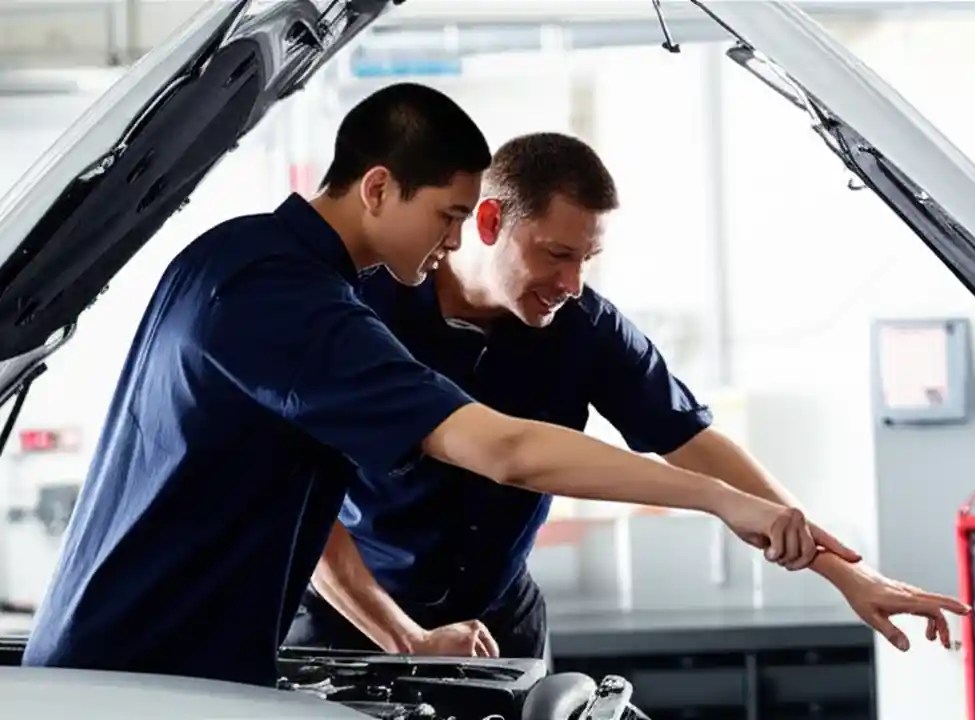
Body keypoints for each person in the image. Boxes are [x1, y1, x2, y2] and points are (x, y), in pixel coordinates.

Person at [20, 84, 853, 688]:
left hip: (192, 648)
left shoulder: (246, 259)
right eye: (450, 216)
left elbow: (674, 430)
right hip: (142, 662)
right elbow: (505, 448)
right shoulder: (287, 301)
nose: (455, 240)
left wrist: (830, 560)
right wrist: (716, 501)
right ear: (379, 187)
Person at [284, 132, 970, 663]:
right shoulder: (359, 313)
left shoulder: (585, 328)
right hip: (352, 617)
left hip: (502, 622)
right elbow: (298, 506)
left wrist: (851, 575)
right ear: (488, 220)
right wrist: (402, 638)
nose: (572, 282)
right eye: (556, 254)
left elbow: (697, 446)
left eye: (586, 259)